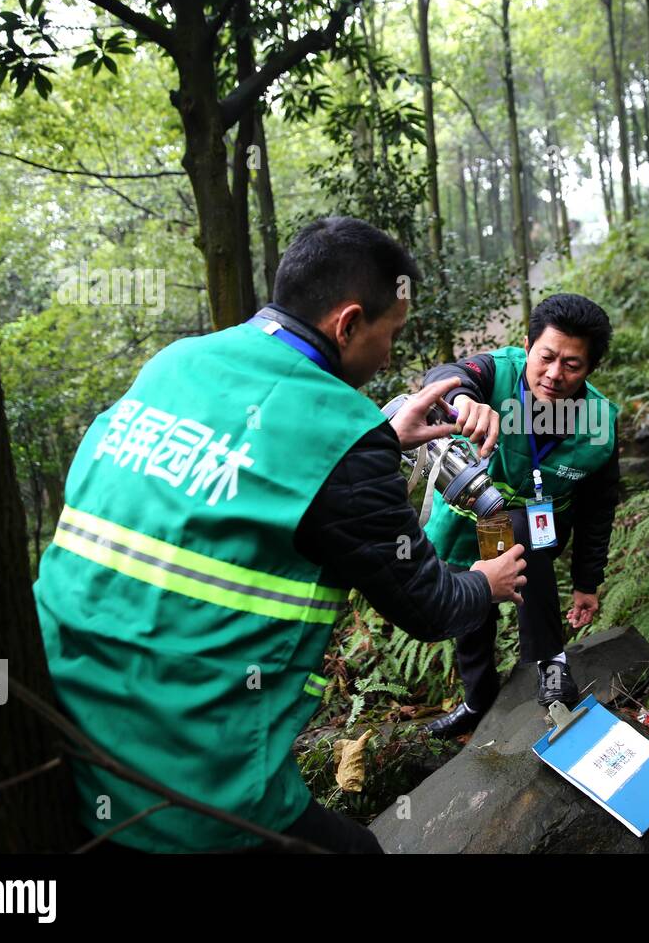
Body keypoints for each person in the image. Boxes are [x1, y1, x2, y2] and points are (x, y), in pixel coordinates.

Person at [35, 216, 527, 853]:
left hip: (57, 719)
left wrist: (377, 437)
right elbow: (428, 605)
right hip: (181, 780)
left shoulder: (177, 363)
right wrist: (487, 583)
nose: (390, 357)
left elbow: (253, 453)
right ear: (347, 324)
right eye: (390, 335)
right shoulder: (340, 436)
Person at [420, 294, 620, 738]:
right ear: (527, 346)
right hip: (465, 526)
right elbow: (448, 376)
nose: (554, 374)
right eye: (546, 357)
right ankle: (478, 700)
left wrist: (588, 582)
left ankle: (552, 663)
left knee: (525, 532)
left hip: (537, 530)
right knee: (473, 610)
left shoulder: (598, 422)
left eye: (572, 364)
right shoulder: (497, 372)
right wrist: (461, 398)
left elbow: (598, 508)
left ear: (589, 370)